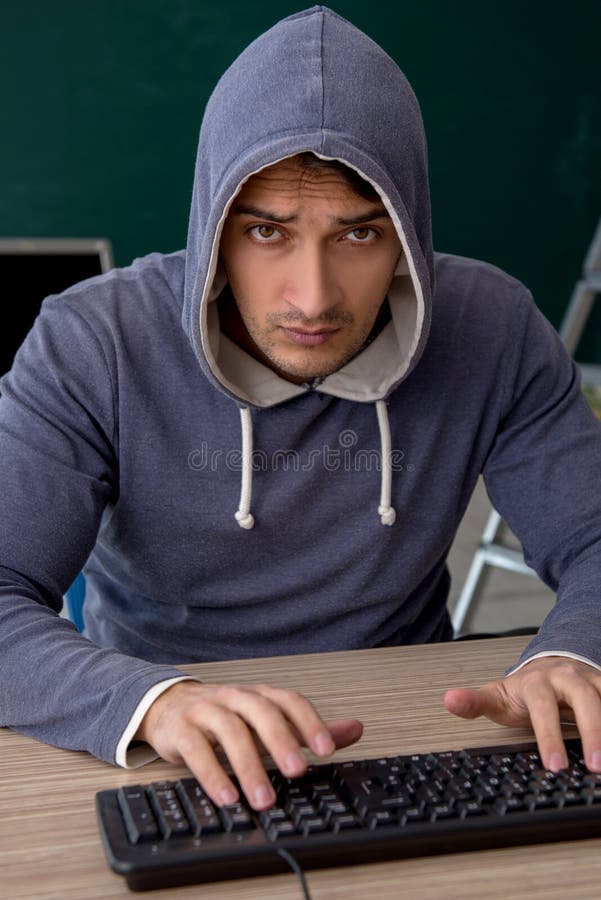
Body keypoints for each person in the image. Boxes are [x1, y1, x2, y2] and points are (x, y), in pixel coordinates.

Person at [1, 6, 601, 814]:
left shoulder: (493, 327)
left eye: (357, 235)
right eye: (265, 231)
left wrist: (574, 653)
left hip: (414, 730)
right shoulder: (91, 341)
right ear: (213, 226)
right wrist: (149, 702)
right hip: (162, 740)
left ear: (408, 234)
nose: (312, 298)